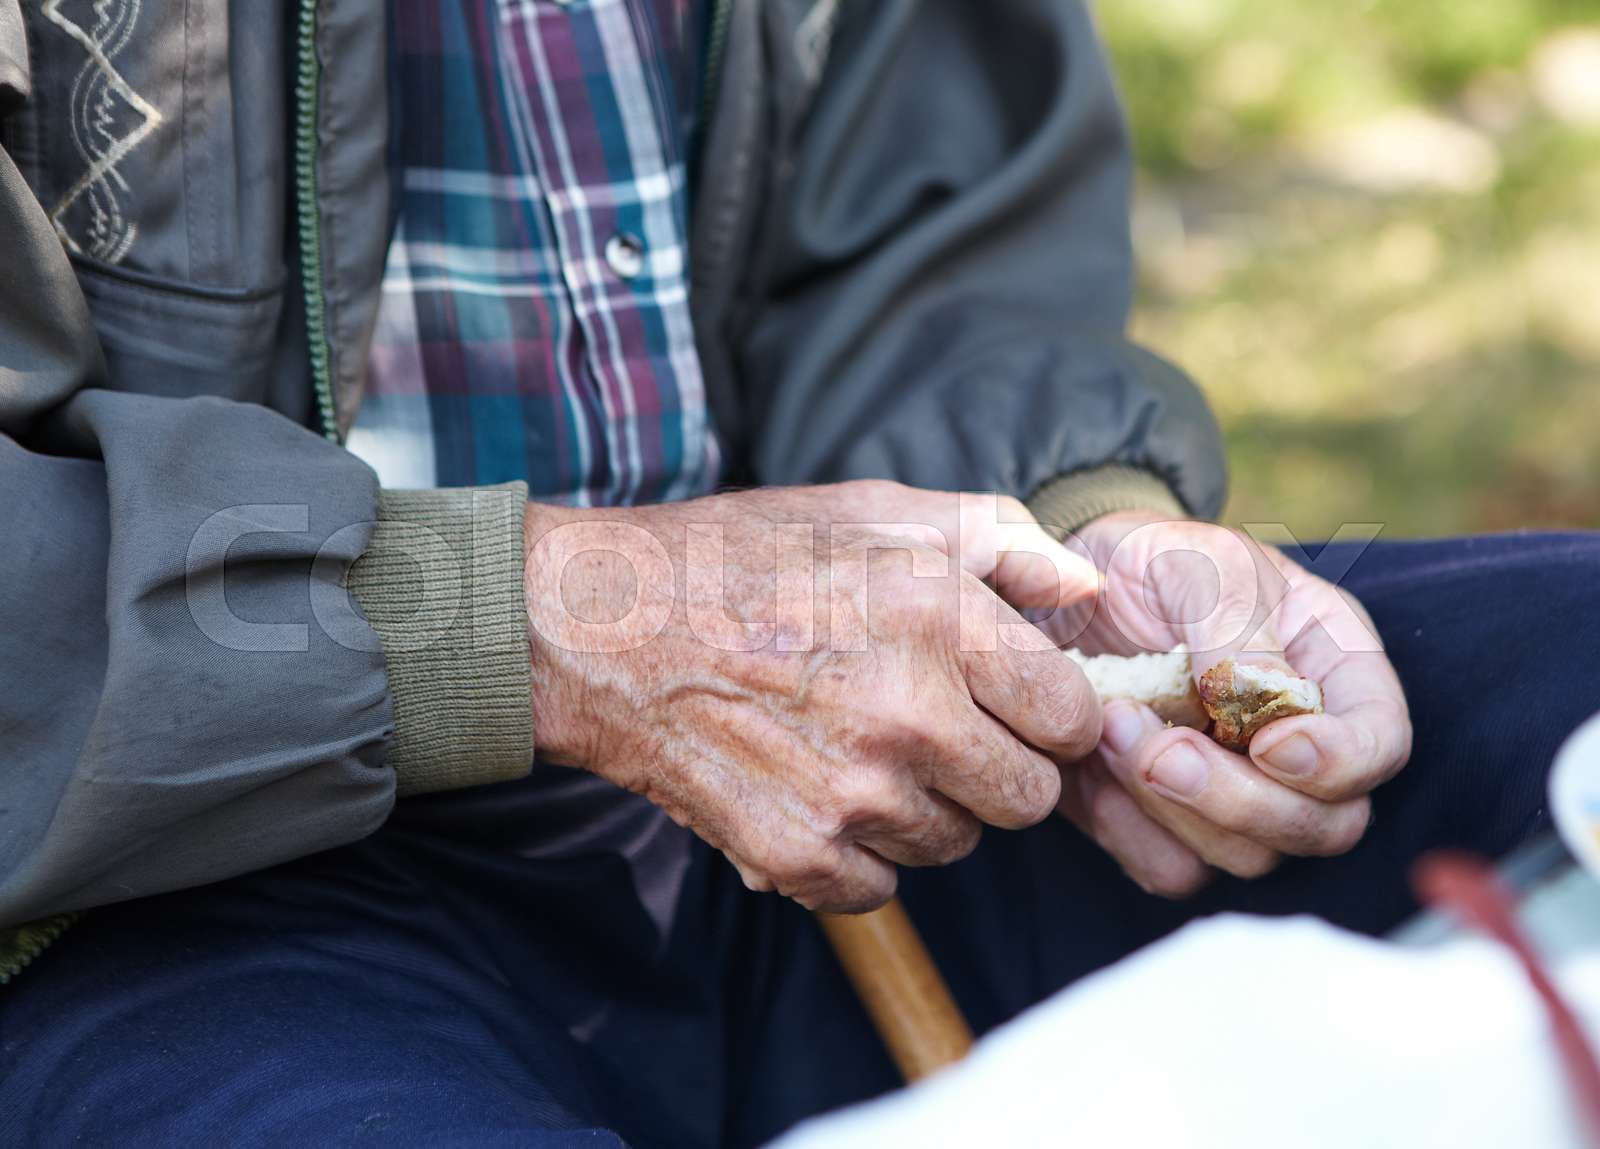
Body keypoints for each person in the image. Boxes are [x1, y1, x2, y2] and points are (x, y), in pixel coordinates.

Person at [0, 1, 1591, 1144]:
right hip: (164, 883)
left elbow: (932, 236)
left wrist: (1079, 550)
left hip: (852, 753)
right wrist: (526, 626)